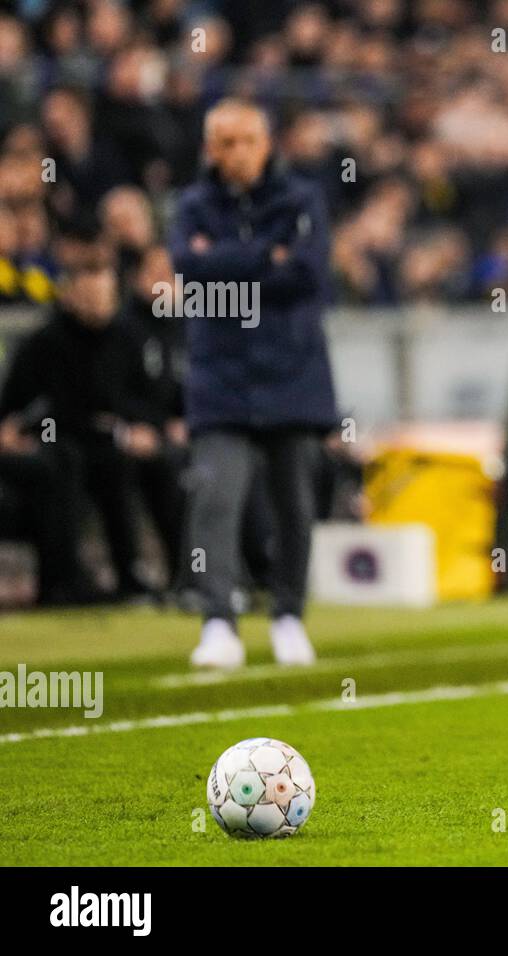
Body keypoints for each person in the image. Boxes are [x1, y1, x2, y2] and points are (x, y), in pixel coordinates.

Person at [168, 98, 337, 669]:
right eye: (222, 141)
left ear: (267, 145)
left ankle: (288, 613)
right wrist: (268, 256)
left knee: (295, 504)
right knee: (215, 496)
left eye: (245, 140)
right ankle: (218, 619)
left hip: (292, 372)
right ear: (208, 148)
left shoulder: (303, 197)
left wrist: (225, 261)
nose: (233, 152)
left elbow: (307, 274)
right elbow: (190, 276)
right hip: (221, 376)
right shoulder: (190, 205)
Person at [0, 228, 162, 602]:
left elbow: (146, 399)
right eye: (88, 294)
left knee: (124, 464)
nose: (96, 304)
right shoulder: (44, 344)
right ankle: (62, 581)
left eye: (103, 295)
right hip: (55, 440)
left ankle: (132, 575)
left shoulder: (127, 339)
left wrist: (144, 428)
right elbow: (21, 407)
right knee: (66, 462)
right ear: (70, 294)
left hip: (110, 442)